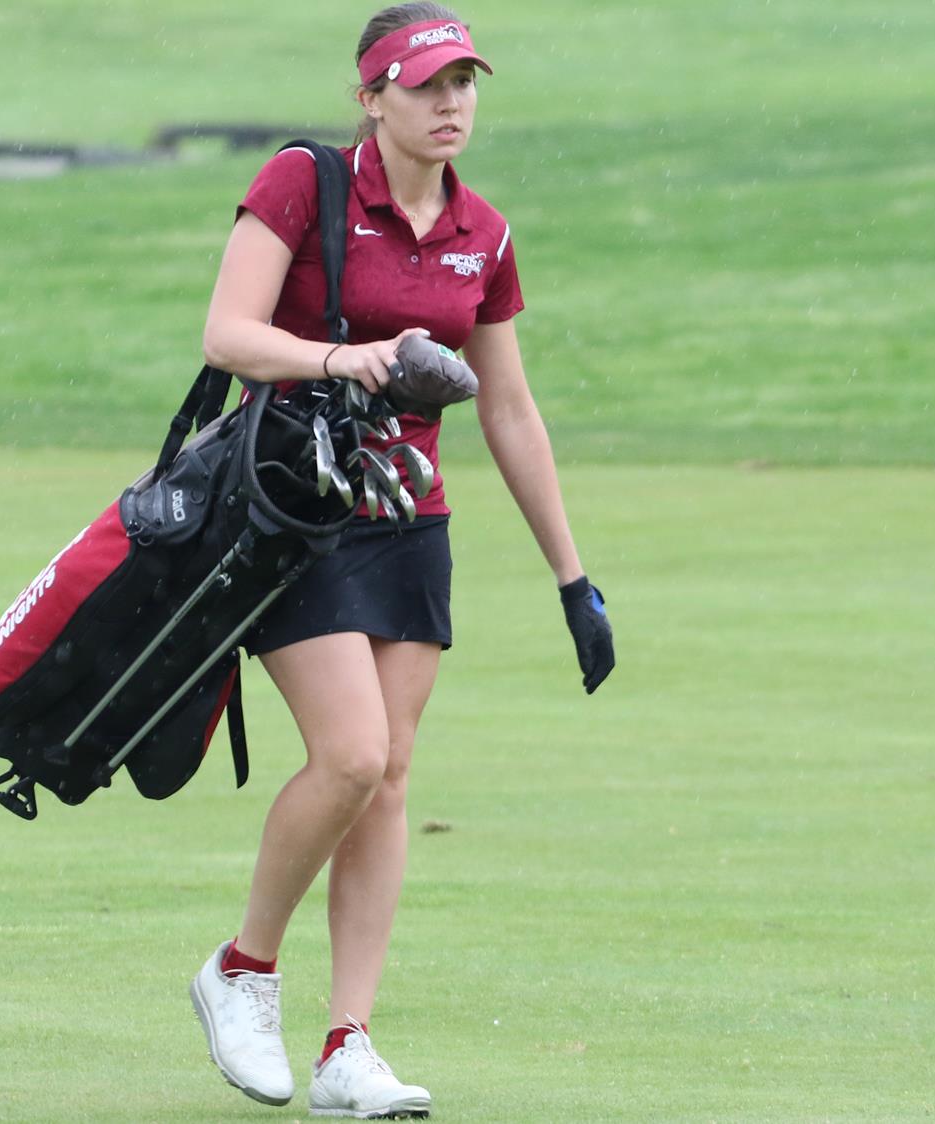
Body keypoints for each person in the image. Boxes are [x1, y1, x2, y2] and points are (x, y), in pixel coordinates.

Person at [189, 4, 616, 1117]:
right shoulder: (304, 184)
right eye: (425, 85)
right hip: (289, 511)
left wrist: (572, 579)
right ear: (371, 96)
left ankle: (347, 1043)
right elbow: (229, 334)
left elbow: (509, 410)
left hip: (407, 520)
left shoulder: (484, 230)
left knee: (387, 778)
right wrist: (354, 358)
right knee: (348, 754)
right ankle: (241, 969)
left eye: (464, 83)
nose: (449, 103)